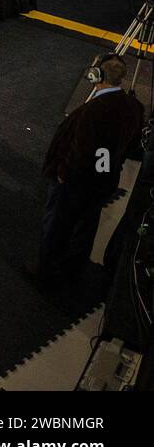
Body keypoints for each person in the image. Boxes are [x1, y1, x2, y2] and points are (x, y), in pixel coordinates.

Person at [31, 54, 146, 286]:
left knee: (57, 226)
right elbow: (133, 145)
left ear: (97, 76)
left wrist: (63, 173)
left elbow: (80, 151)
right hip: (106, 180)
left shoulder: (92, 111)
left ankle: (45, 272)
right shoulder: (134, 106)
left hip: (76, 182)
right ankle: (73, 271)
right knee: (86, 227)